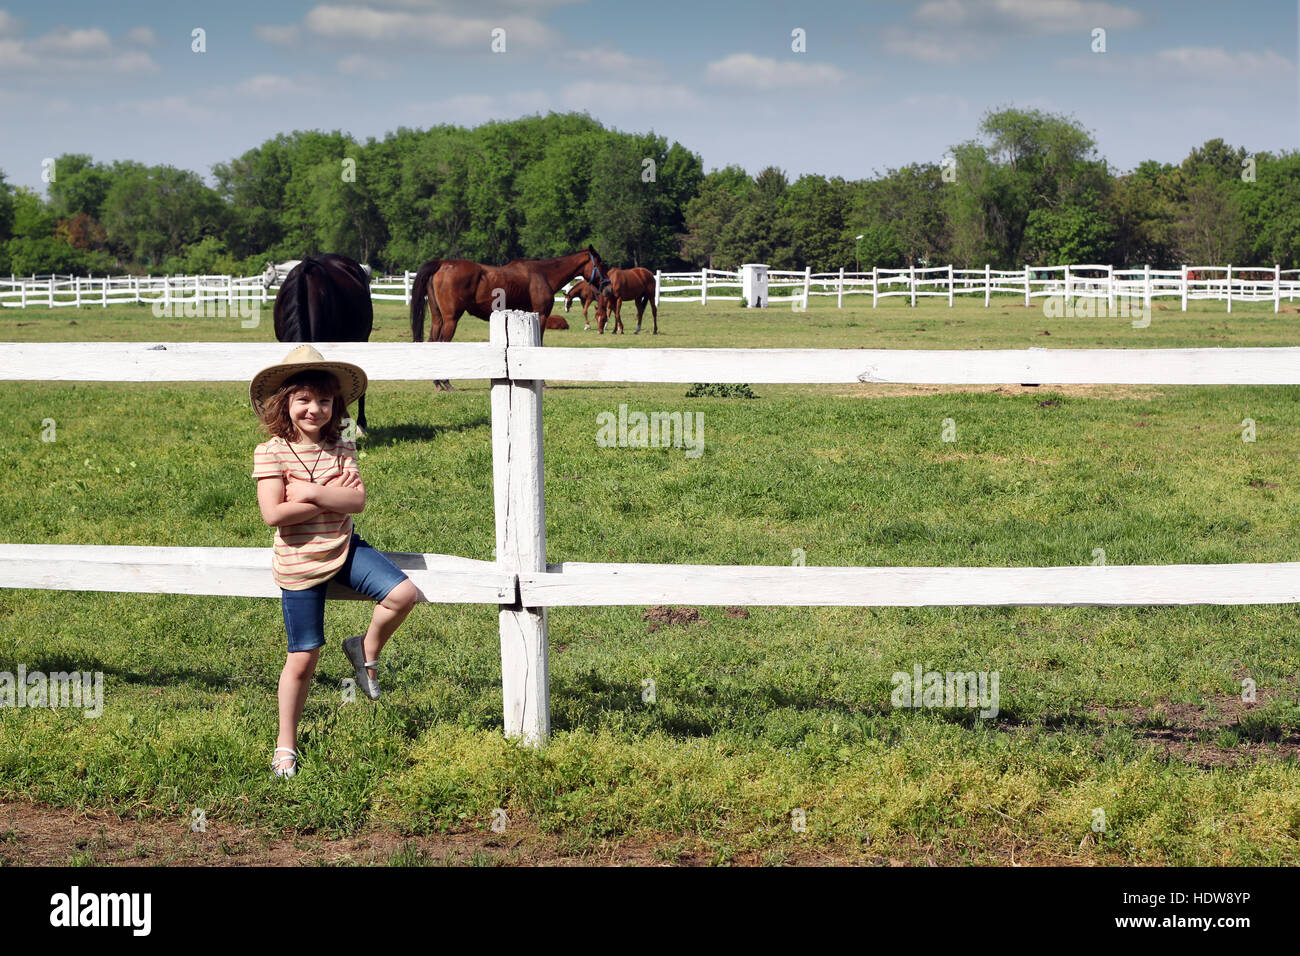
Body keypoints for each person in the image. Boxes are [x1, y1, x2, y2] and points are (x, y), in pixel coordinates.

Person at [249, 345, 419, 778]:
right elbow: (274, 513)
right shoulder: (271, 452)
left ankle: (365, 648)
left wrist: (307, 493)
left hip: (344, 548)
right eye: (303, 399)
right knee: (304, 657)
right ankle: (286, 743)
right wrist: (327, 496)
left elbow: (356, 501)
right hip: (300, 561)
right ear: (284, 403)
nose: (314, 409)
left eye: (324, 400)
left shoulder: (341, 446)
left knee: (403, 594)